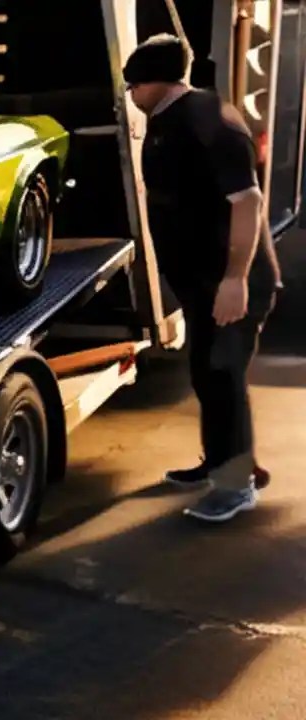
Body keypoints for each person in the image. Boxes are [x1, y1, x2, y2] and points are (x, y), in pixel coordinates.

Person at [122, 33, 283, 522]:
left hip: (231, 281)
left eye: (134, 86)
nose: (131, 96)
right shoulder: (168, 119)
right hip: (201, 281)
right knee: (207, 373)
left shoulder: (208, 120)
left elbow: (247, 202)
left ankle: (235, 487)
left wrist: (235, 279)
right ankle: (225, 463)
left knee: (222, 375)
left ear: (153, 82)